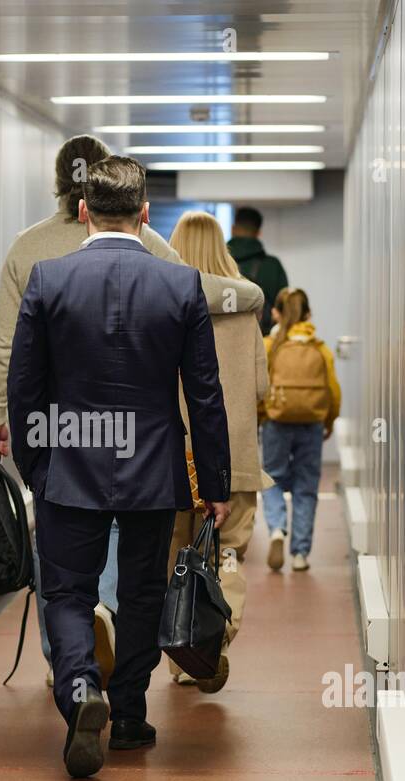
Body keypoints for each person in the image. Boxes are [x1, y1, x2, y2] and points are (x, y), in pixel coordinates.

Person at [0, 134, 247, 688]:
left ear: (84, 212)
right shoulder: (179, 283)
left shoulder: (47, 277)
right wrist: (216, 483)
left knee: (68, 589)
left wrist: (37, 465)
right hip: (153, 464)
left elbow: (22, 380)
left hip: (68, 457)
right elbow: (205, 392)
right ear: (145, 214)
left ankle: (79, 688)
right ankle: (129, 713)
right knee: (142, 590)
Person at [164, 211, 269, 693]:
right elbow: (263, 386)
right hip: (237, 459)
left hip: (174, 457)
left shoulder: (162, 300)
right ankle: (216, 642)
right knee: (228, 556)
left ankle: (182, 654)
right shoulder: (245, 305)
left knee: (177, 556)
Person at [260, 288, 341, 572]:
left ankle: (277, 530)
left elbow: (258, 388)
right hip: (311, 425)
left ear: (276, 313)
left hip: (276, 423)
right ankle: (300, 554)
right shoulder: (320, 348)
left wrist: (262, 417)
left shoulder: (270, 346)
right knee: (306, 487)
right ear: (308, 314)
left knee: (271, 479)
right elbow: (333, 390)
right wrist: (328, 421)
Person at [227, 206, 289, 334]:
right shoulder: (273, 265)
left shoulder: (218, 263)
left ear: (233, 229)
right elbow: (285, 308)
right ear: (258, 233)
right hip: (263, 342)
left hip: (223, 342)